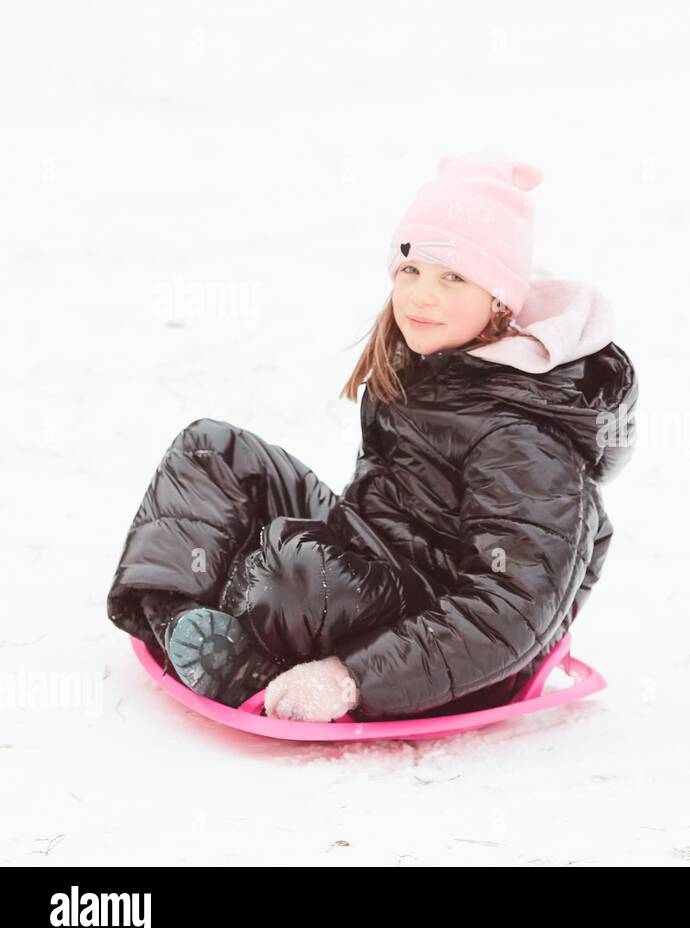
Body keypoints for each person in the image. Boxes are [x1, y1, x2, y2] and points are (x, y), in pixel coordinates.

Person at [105, 151, 637, 723]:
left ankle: (250, 664)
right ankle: (180, 623)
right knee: (211, 450)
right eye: (411, 269)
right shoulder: (432, 359)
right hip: (378, 561)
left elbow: (512, 608)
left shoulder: (524, 437)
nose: (421, 296)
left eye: (453, 277)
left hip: (453, 648)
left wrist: (349, 678)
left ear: (501, 300)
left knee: (294, 569)